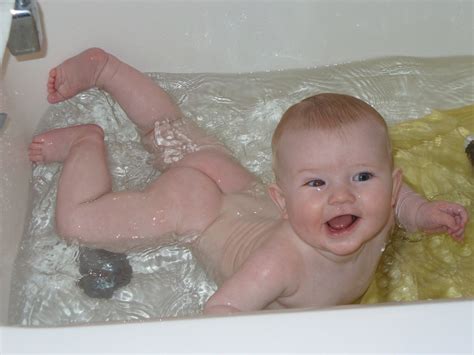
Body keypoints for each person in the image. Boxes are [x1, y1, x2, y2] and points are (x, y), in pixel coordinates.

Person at [28, 48, 469, 314]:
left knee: (167, 127)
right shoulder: (280, 264)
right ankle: (86, 143)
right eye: (316, 183)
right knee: (78, 224)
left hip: (238, 188)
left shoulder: (378, 206)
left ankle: (107, 70)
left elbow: (400, 203)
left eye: (362, 175)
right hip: (196, 209)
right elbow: (222, 310)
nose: (342, 195)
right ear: (282, 199)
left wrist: (424, 213)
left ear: (391, 184)